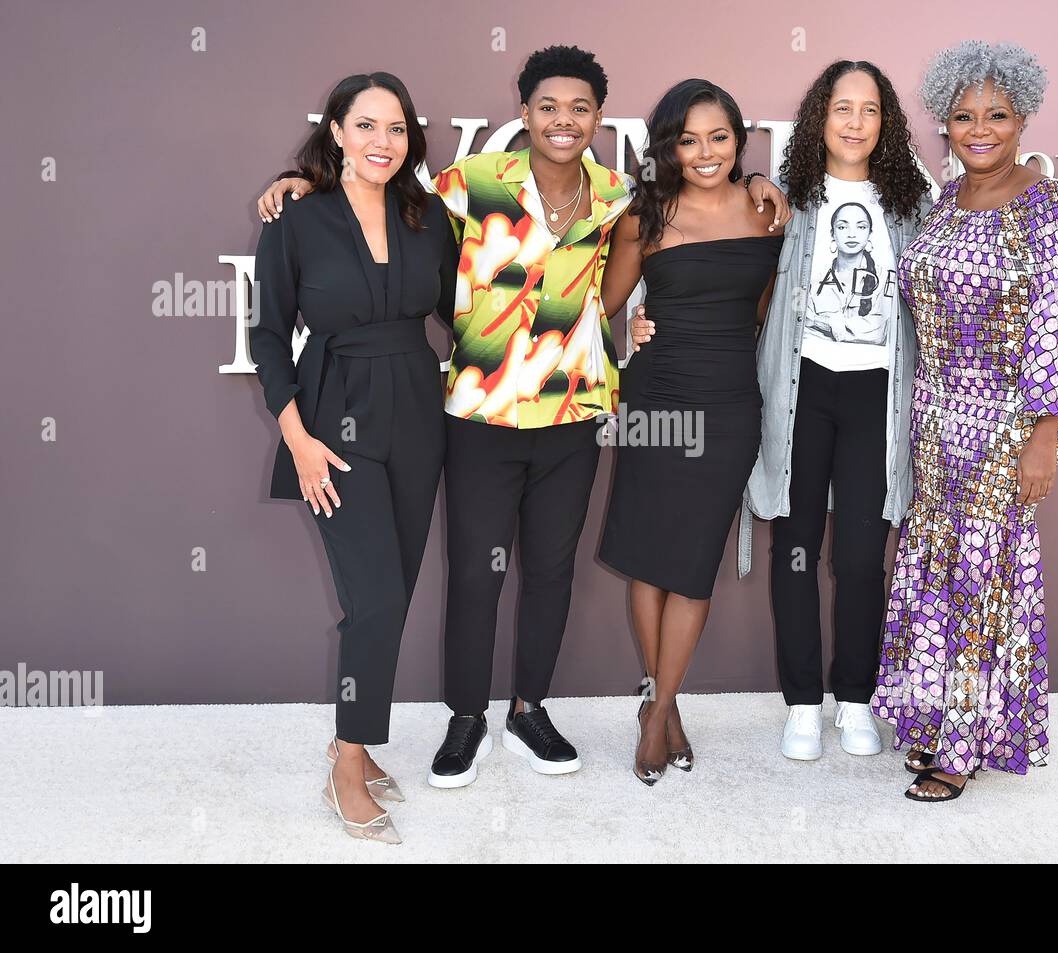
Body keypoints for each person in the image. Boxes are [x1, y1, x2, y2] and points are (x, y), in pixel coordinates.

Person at [256, 47, 789, 788]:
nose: (563, 121)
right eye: (547, 107)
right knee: (474, 572)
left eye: (579, 109)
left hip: (573, 413)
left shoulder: (618, 199)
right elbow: (372, 189)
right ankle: (467, 716)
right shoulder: (471, 182)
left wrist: (757, 182)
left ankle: (529, 709)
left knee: (550, 570)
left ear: (598, 117)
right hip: (478, 413)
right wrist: (302, 181)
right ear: (524, 111)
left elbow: (633, 280)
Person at [630, 60, 934, 762]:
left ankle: (853, 698)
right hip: (799, 391)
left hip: (874, 394)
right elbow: (714, 271)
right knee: (795, 550)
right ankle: (802, 702)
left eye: (868, 110)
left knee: (861, 557)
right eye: (840, 109)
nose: (855, 123)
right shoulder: (783, 198)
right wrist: (644, 317)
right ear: (818, 121)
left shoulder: (912, 203)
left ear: (884, 123)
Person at [871, 41, 1058, 802]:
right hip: (936, 419)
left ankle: (963, 742)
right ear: (944, 123)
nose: (980, 130)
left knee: (983, 574)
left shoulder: (1047, 213)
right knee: (934, 564)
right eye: (963, 117)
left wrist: (1044, 437)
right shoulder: (946, 203)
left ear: (1023, 119)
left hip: (1007, 423)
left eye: (998, 116)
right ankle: (932, 714)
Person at [250, 73, 457, 843]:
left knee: (394, 595)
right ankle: (347, 761)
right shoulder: (297, 216)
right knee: (371, 599)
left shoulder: (427, 214)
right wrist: (298, 438)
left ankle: (358, 744)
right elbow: (268, 334)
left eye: (396, 128)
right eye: (365, 125)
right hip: (331, 421)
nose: (382, 141)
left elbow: (472, 305)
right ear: (335, 130)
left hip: (416, 415)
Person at [597, 79, 782, 784]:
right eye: (688, 139)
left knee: (693, 562)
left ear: (739, 141)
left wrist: (765, 183)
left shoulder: (768, 212)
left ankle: (660, 702)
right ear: (668, 145)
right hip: (657, 395)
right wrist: (631, 328)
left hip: (731, 400)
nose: (704, 152)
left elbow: (765, 311)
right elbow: (604, 304)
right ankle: (663, 707)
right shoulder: (644, 215)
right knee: (648, 554)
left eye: (720, 137)